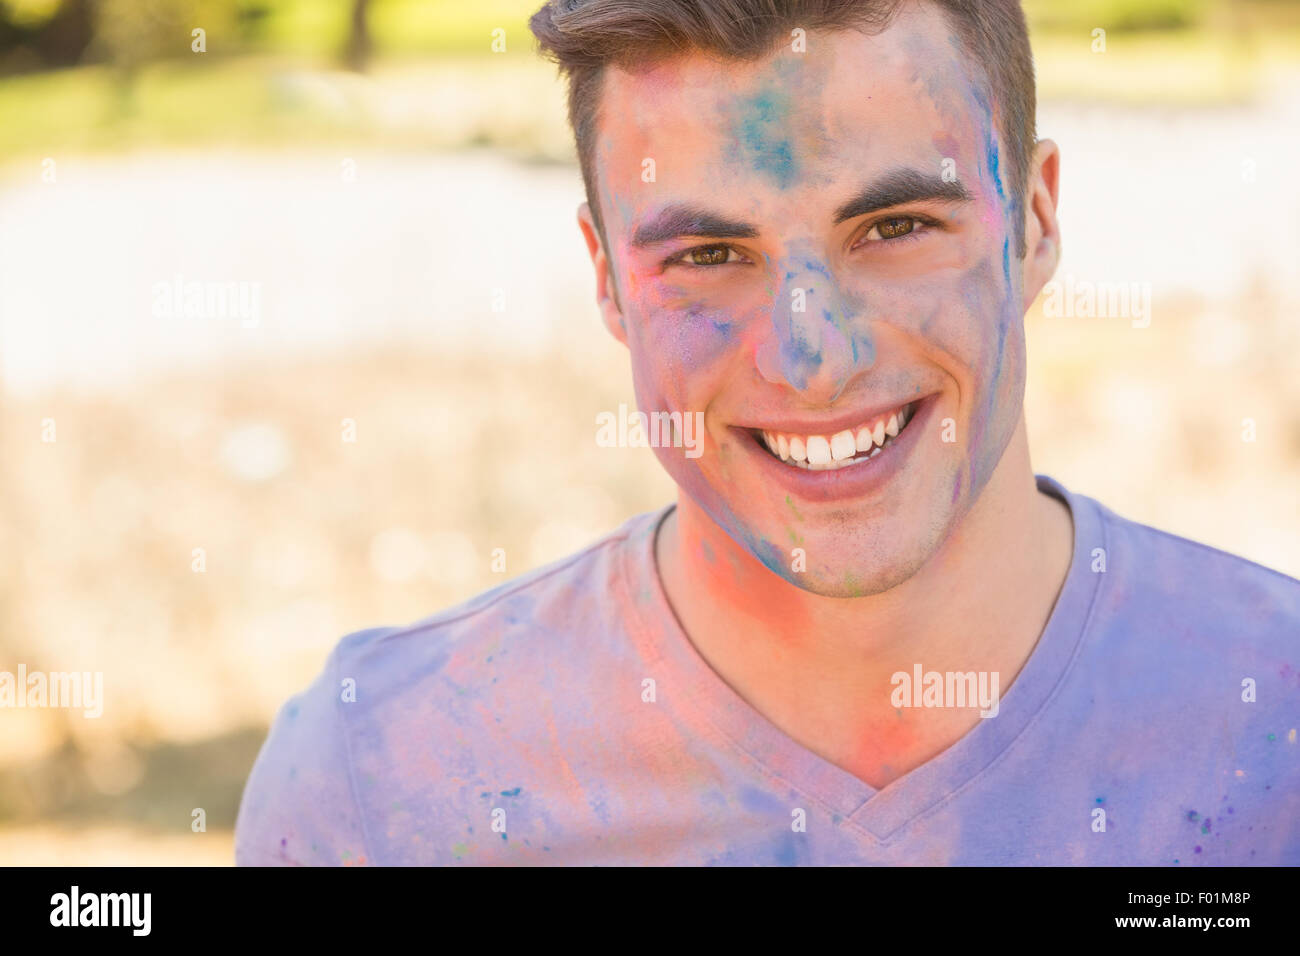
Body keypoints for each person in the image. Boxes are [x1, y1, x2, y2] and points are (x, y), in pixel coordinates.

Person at [235, 0, 1299, 865]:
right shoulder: (385, 784)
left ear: (1034, 218)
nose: (814, 357)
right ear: (606, 275)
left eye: (893, 228)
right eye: (707, 255)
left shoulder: (1273, 729)